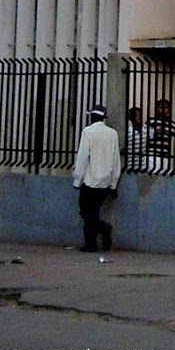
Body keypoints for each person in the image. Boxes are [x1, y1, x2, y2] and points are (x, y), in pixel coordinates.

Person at [72, 104, 122, 252]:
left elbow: (83, 156)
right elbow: (116, 159)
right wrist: (113, 183)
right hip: (105, 181)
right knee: (92, 212)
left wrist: (77, 179)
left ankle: (93, 241)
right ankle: (100, 232)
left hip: (90, 180)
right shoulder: (112, 134)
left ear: (92, 117)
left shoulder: (88, 132)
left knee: (86, 212)